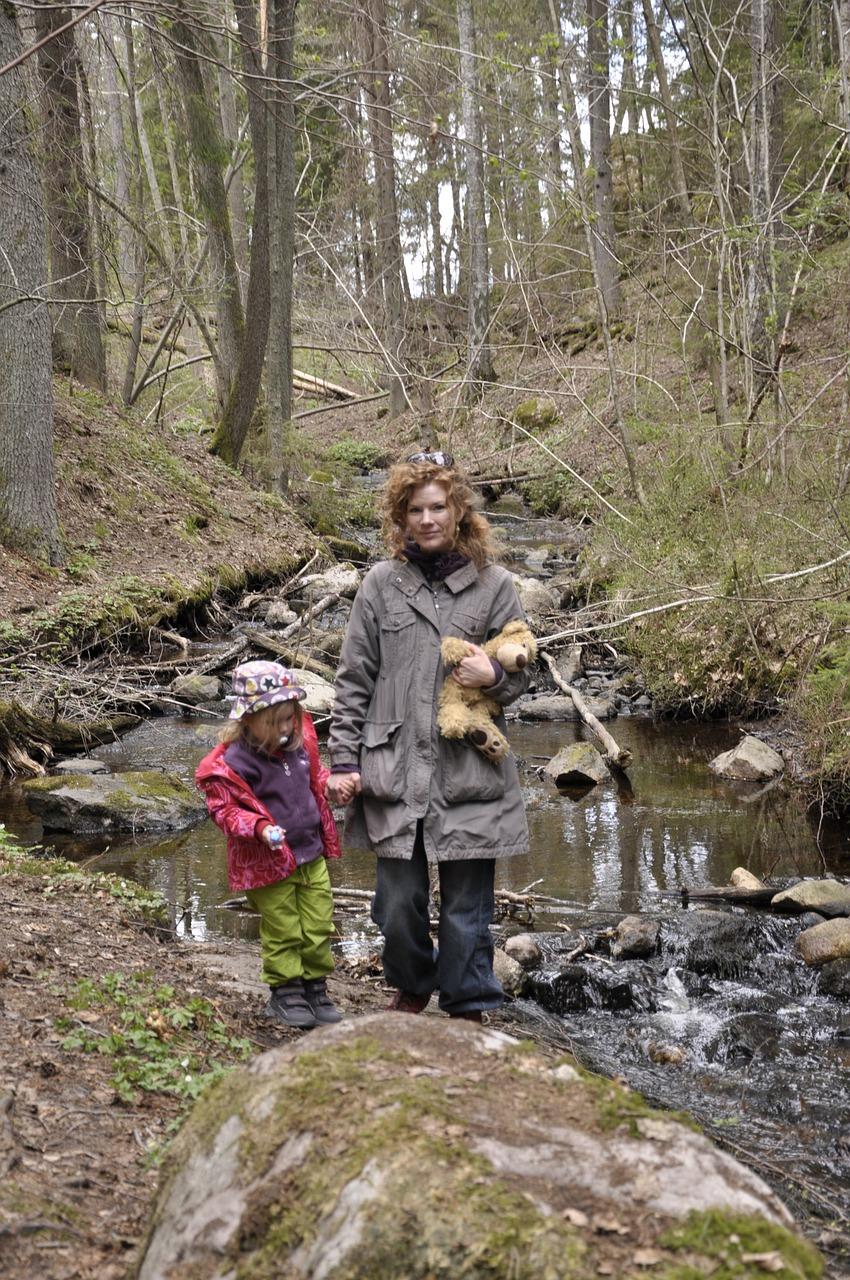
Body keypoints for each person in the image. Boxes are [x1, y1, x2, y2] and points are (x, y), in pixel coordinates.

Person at [325, 451, 532, 1021]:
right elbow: (353, 678)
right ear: (401, 516)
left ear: (459, 511)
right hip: (392, 767)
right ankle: (412, 982)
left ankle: (468, 1003)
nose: (427, 519)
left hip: (469, 769)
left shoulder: (495, 586)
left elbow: (522, 667)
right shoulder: (380, 585)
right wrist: (343, 761)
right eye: (415, 509)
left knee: (469, 907)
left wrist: (496, 675)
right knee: (397, 904)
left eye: (438, 507)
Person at [196, 660, 354, 1029]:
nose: (285, 728)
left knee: (317, 922)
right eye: (275, 721)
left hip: (310, 853)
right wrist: (259, 827)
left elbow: (313, 779)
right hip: (269, 862)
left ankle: (315, 985)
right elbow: (225, 810)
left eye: (290, 717)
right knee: (284, 928)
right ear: (248, 720)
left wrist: (332, 784)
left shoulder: (299, 746)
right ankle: (286, 990)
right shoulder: (234, 763)